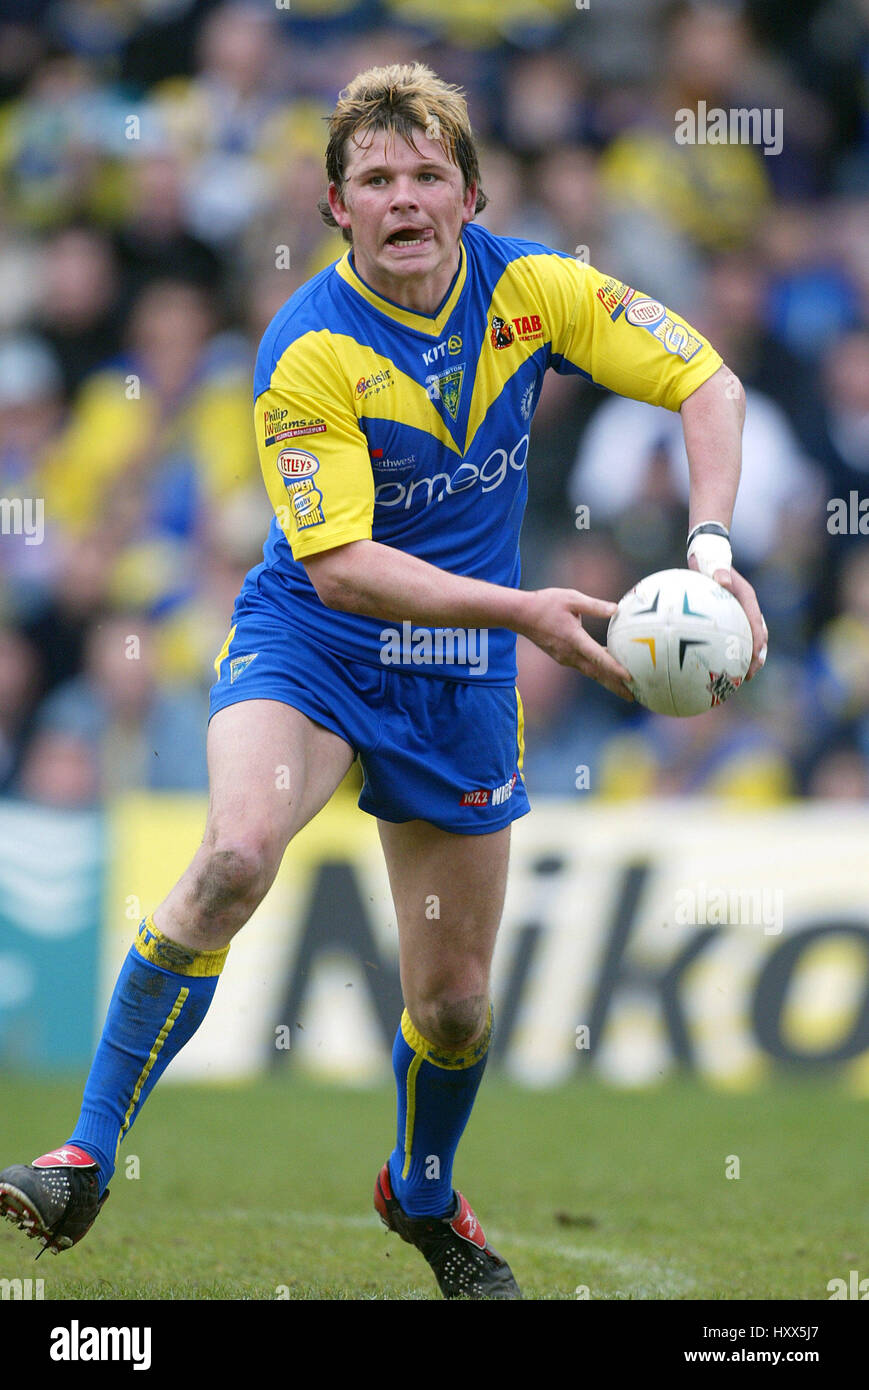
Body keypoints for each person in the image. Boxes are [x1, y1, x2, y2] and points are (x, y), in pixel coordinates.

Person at [0, 62, 766, 1300]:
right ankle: (82, 1157)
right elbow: (346, 568)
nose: (402, 198)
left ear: (469, 195)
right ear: (333, 209)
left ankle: (420, 1193)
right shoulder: (306, 345)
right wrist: (524, 608)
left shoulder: (534, 288)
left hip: (459, 674)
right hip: (313, 639)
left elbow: (707, 382)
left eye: (425, 176)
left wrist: (713, 555)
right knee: (235, 853)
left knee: (454, 1007)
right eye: (373, 180)